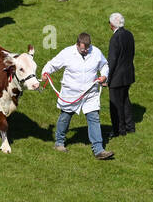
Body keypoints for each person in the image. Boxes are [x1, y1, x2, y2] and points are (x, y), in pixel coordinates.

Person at [42, 32, 114, 160]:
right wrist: (45, 72)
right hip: (71, 93)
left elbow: (104, 65)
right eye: (82, 49)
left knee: (94, 118)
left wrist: (104, 75)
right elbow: (52, 64)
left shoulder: (96, 52)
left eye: (87, 48)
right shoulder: (67, 53)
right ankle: (59, 143)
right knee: (65, 117)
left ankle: (98, 150)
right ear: (77, 45)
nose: (85, 51)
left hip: (90, 93)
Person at [106, 12, 136, 138]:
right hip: (128, 74)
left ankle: (119, 130)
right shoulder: (129, 34)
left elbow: (112, 61)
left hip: (117, 78)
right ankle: (130, 127)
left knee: (115, 104)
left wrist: (107, 78)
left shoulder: (115, 39)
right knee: (125, 101)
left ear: (112, 25)